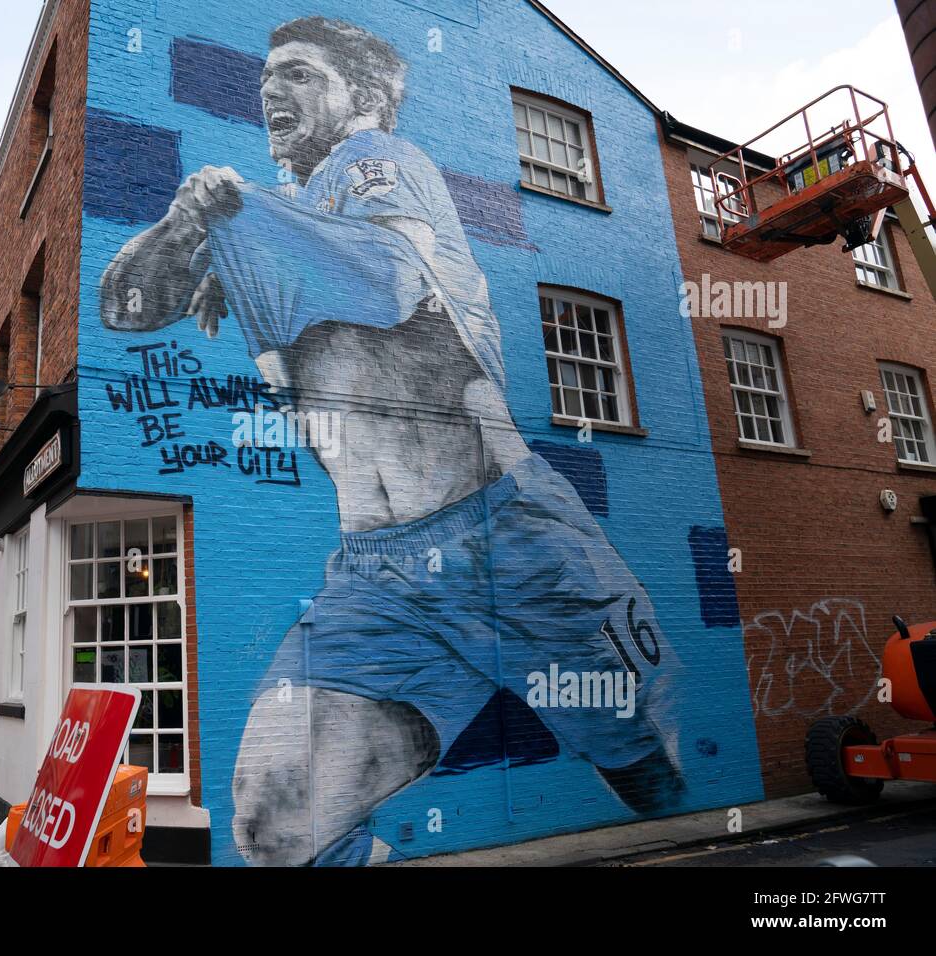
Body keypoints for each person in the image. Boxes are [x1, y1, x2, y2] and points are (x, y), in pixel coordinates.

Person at [101, 16, 685, 866]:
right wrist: (189, 223)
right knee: (276, 820)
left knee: (655, 784)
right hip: (378, 576)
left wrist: (251, 225)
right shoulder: (262, 223)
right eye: (270, 77)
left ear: (365, 99)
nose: (273, 90)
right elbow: (127, 307)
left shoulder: (381, 167)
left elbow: (386, 279)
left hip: (508, 540)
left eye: (300, 74)